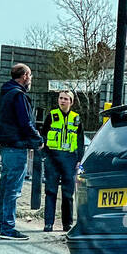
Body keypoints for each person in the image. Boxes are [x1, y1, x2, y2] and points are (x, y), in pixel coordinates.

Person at [0, 62, 43, 240]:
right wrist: (37, 140)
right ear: (25, 76)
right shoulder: (19, 96)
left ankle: (0, 225)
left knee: (5, 186)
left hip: (6, 146)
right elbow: (25, 123)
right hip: (16, 146)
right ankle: (8, 228)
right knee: (13, 189)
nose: (30, 79)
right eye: (29, 76)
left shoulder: (5, 93)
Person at [42, 89, 82, 233]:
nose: (62, 101)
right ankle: (48, 223)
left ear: (71, 102)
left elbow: (80, 140)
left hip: (69, 159)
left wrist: (79, 159)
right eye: (60, 98)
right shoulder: (52, 116)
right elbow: (44, 135)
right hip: (52, 158)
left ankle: (67, 224)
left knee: (67, 193)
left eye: (65, 99)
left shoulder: (76, 118)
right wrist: (45, 154)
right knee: (50, 191)